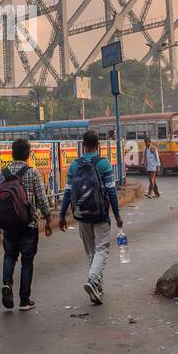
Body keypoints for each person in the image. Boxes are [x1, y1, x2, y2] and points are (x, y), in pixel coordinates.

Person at [59, 130, 122, 306]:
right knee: (102, 249)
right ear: (98, 145)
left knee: (91, 253)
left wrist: (62, 215)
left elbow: (68, 192)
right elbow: (111, 191)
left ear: (83, 145)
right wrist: (117, 215)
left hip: (81, 215)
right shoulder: (103, 164)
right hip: (100, 214)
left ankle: (97, 287)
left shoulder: (74, 166)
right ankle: (94, 280)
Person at [0, 138, 52, 311]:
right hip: (29, 224)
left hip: (9, 224)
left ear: (12, 154)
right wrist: (48, 219)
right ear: (28, 155)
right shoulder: (32, 172)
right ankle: (24, 300)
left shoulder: (2, 174)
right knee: (27, 261)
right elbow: (41, 198)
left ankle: (7, 284)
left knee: (9, 255)